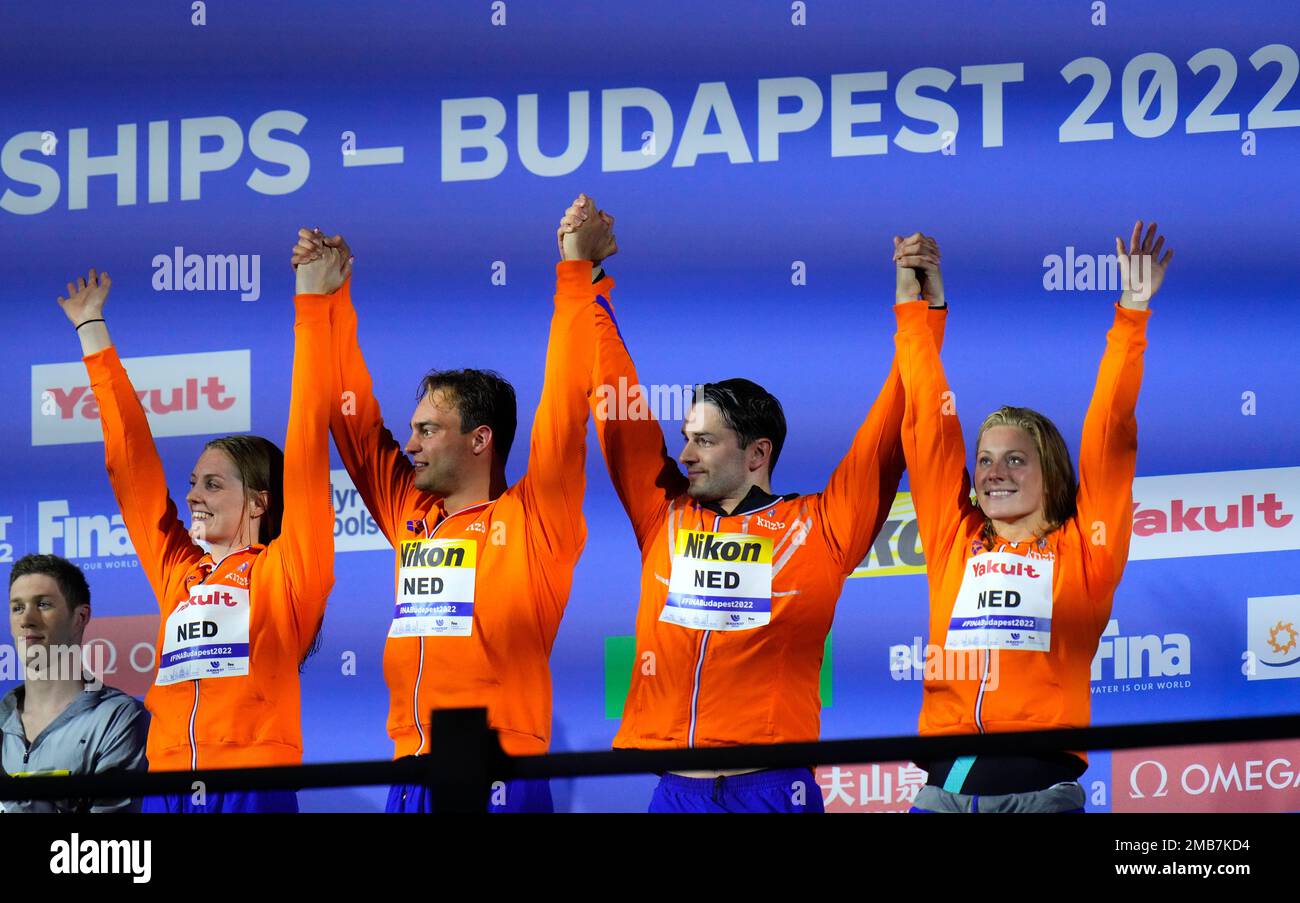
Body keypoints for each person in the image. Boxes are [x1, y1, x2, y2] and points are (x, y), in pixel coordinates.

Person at [569, 196, 949, 812]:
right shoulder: (663, 512)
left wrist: (920, 314)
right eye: (685, 437)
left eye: (704, 441)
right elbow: (613, 397)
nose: (684, 454)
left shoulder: (821, 526)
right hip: (675, 792)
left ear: (756, 453)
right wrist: (587, 279)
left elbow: (894, 423)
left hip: (773, 788)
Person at [290, 194, 612, 813]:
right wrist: (331, 298)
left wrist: (575, 270)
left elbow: (567, 403)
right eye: (412, 430)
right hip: (411, 767)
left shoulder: (534, 519)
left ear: (480, 440)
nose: (408, 445)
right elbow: (352, 420)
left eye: (427, 431)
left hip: (501, 767)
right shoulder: (413, 517)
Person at [891, 222, 1172, 813]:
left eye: (1015, 460)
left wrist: (1132, 316)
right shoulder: (954, 539)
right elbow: (926, 423)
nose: (993, 472)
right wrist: (918, 310)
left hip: (1041, 797)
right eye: (986, 460)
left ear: (1051, 474)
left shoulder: (1087, 551)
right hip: (943, 794)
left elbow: (1109, 433)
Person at [55, 238, 337, 813]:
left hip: (251, 781)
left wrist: (312, 304)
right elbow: (131, 468)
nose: (192, 497)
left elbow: (307, 438)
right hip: (165, 783)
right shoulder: (180, 572)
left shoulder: (286, 573)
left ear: (259, 501)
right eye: (193, 483)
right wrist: (92, 333)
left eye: (213, 484)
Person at [2, 553, 148, 813]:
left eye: (43, 604)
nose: (26, 620)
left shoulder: (118, 718)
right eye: (17, 608)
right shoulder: (2, 720)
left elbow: (106, 849)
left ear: (80, 617)